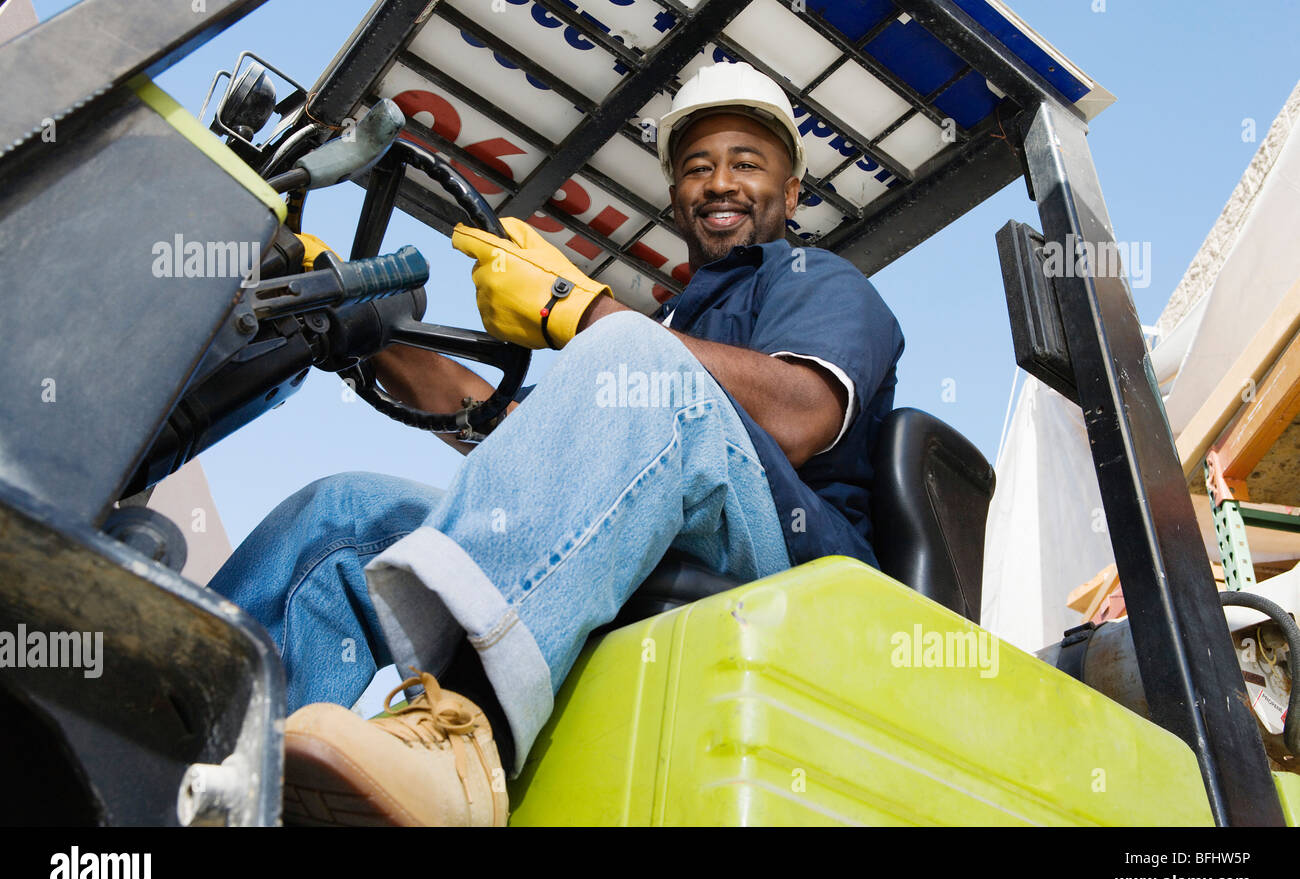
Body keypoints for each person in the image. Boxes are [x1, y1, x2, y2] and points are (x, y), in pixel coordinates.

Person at [209, 61, 905, 826]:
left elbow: (802, 413)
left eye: (747, 164)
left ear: (793, 190)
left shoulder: (815, 280)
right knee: (344, 515)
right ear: (676, 193)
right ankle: (201, 760)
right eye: (698, 168)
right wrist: (357, 325)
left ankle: (459, 736)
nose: (720, 184)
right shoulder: (666, 329)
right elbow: (516, 435)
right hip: (659, 525)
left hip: (803, 574)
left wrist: (582, 310)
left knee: (635, 359)